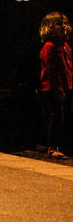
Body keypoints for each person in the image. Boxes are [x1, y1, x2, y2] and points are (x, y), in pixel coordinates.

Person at [37, 11, 72, 159]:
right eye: (59, 24)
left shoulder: (66, 46)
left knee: (63, 117)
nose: (63, 26)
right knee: (54, 117)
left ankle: (62, 144)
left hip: (65, 87)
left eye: (64, 23)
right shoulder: (49, 47)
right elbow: (50, 71)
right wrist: (58, 89)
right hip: (51, 89)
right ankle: (52, 147)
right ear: (50, 28)